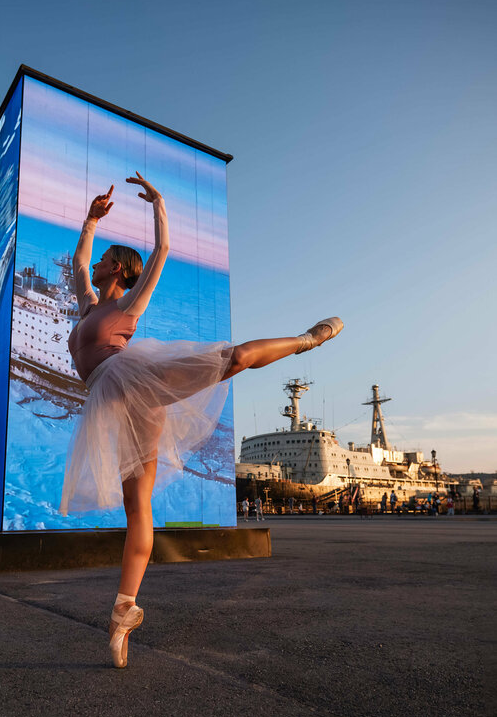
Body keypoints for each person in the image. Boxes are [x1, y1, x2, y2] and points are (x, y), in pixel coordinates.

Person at [61, 174, 343, 668]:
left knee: (229, 359)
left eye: (109, 256)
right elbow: (79, 264)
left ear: (122, 271)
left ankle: (307, 341)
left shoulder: (129, 302)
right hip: (110, 401)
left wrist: (159, 205)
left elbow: (163, 250)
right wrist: (90, 219)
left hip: (137, 379)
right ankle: (124, 610)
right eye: (102, 255)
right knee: (136, 508)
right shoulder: (87, 305)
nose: (100, 261)